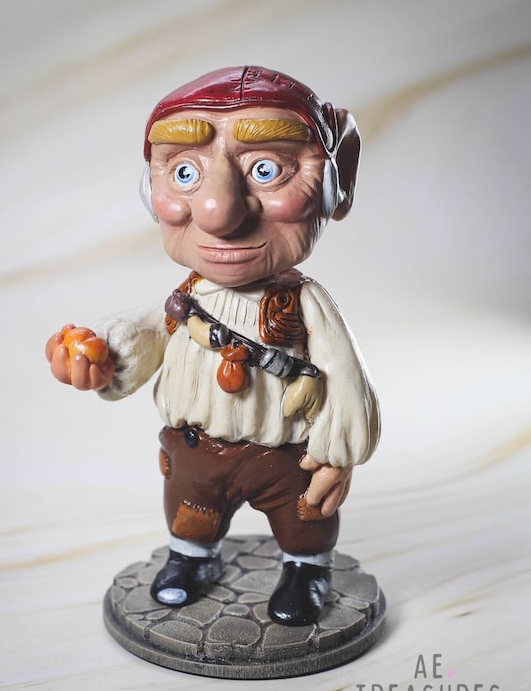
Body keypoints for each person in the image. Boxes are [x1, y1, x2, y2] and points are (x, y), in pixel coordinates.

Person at [46, 66, 380, 626]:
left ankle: (306, 569)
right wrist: (102, 352)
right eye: (185, 172)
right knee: (190, 510)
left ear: (331, 181)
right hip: (197, 448)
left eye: (267, 170)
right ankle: (192, 558)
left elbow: (345, 377)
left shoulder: (306, 305)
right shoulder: (188, 299)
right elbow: (154, 330)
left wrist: (339, 451)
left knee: (305, 518)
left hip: (286, 454)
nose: (217, 211)